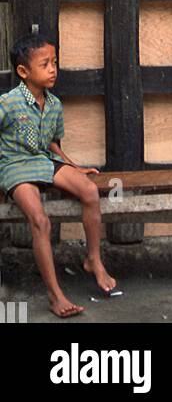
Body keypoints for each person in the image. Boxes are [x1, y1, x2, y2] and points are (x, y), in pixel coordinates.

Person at [0, 33, 117, 317]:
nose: (53, 69)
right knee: (40, 221)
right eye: (45, 64)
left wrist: (73, 167)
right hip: (15, 165)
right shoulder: (7, 102)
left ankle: (93, 259)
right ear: (23, 72)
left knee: (89, 191)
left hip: (43, 160)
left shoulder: (54, 105)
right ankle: (55, 295)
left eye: (55, 62)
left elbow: (53, 144)